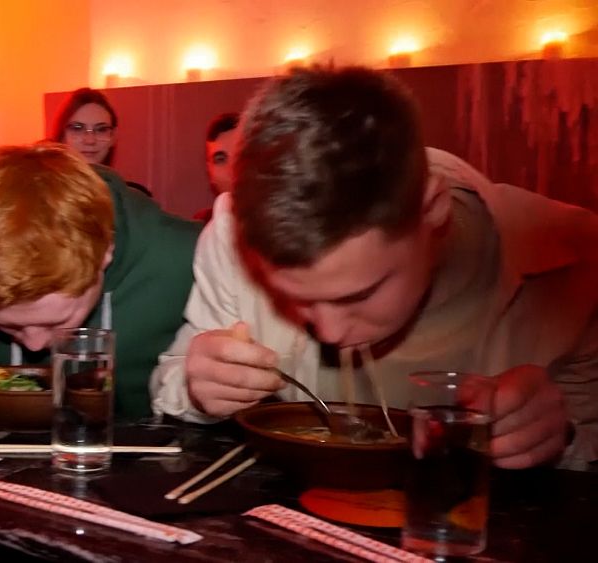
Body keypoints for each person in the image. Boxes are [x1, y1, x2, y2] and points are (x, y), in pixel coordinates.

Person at [151, 66, 598, 470]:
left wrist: (563, 435)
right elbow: (171, 379)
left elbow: (587, 437)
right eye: (294, 296)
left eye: (358, 295)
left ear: (433, 210)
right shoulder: (232, 234)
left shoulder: (573, 260)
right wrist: (195, 387)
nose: (328, 332)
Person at [0, 143, 200, 418]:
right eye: (10, 326)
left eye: (56, 320)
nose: (34, 345)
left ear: (105, 253)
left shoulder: (188, 261)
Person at [49, 87, 153, 197]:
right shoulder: (44, 196)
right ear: (61, 136)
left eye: (101, 129)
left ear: (113, 137)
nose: (90, 140)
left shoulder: (131, 200)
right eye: (77, 128)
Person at [193, 112, 240, 223]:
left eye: (239, 155)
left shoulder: (280, 224)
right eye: (220, 159)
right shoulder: (200, 227)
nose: (232, 169)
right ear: (209, 170)